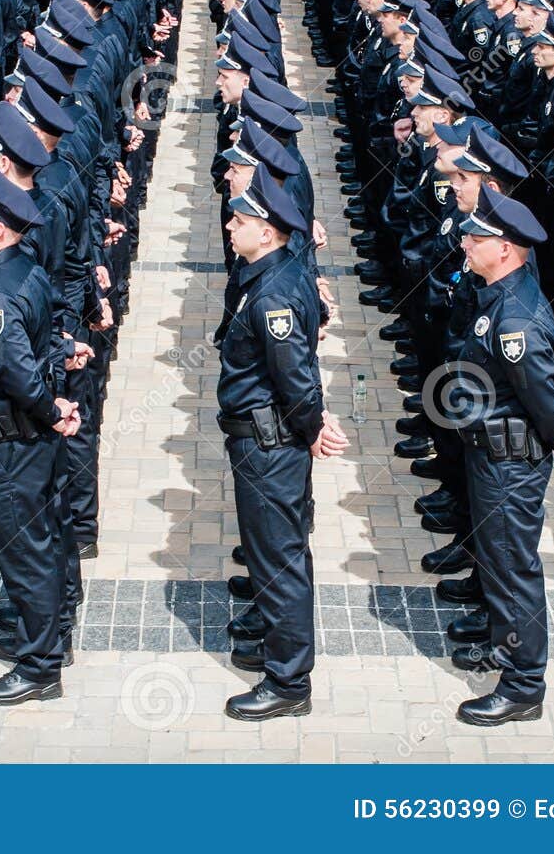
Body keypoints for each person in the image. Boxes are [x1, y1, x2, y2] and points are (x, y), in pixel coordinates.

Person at [449, 188, 554, 725]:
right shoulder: (500, 292)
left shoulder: (515, 321)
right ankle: (503, 646)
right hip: (493, 454)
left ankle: (524, 684)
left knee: (512, 568)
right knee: (498, 561)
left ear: (505, 249)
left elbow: (541, 395)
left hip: (510, 462)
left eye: (475, 238)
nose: (464, 242)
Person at [217, 166, 347, 721]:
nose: (230, 225)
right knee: (277, 556)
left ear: (267, 231)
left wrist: (313, 425)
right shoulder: (269, 272)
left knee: (279, 561)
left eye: (240, 220)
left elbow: (293, 375)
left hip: (269, 446)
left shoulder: (272, 293)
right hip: (265, 440)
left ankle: (289, 682)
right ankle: (278, 647)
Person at [0, 164, 79, 705]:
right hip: (31, 437)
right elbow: (46, 340)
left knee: (23, 550)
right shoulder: (20, 270)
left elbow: (16, 369)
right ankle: (51, 634)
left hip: (10, 440)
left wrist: (51, 409)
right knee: (45, 540)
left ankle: (38, 666)